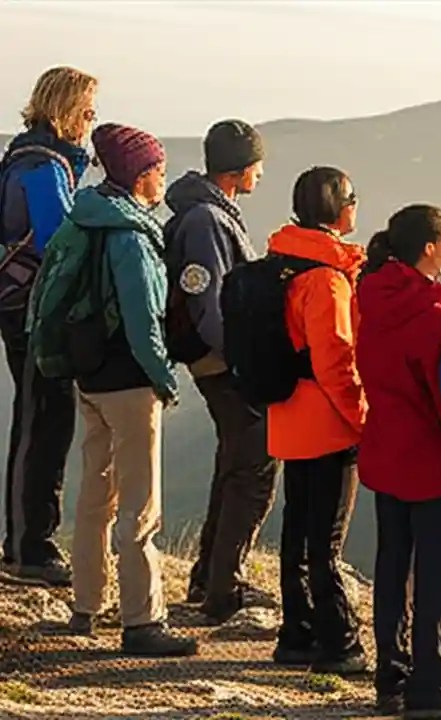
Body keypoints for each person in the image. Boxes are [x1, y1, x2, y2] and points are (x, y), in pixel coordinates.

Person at [31, 123, 194, 655]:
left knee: (95, 496)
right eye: (158, 171)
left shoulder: (83, 218)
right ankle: (142, 622)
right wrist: (164, 379)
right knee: (140, 505)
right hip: (129, 381)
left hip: (89, 375)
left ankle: (85, 607)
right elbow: (143, 318)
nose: (161, 180)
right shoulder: (129, 235)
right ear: (140, 175)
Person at [356, 204, 441, 719]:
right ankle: (431, 694)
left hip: (385, 455)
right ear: (430, 249)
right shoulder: (434, 318)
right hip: (432, 467)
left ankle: (390, 681)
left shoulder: (374, 299)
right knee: (435, 580)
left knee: (392, 570)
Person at [162, 119, 278, 622]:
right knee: (254, 466)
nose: (260, 173)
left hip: (215, 358)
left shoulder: (206, 211)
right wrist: (244, 359)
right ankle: (222, 589)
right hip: (222, 361)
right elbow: (206, 299)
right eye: (257, 164)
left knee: (236, 459)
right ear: (240, 168)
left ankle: (210, 576)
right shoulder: (208, 219)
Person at [266, 166, 367, 675]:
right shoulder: (327, 279)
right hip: (326, 420)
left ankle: (297, 633)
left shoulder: (284, 260)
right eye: (352, 197)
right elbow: (336, 362)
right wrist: (363, 417)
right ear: (337, 207)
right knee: (324, 539)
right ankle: (338, 643)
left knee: (298, 530)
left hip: (287, 414)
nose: (356, 206)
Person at [0, 66, 97, 586]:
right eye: (86, 111)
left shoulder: (32, 159)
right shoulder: (43, 167)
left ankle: (30, 540)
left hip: (20, 305)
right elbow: (59, 243)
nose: (90, 121)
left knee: (43, 414)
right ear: (64, 110)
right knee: (42, 416)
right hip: (33, 310)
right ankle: (27, 546)